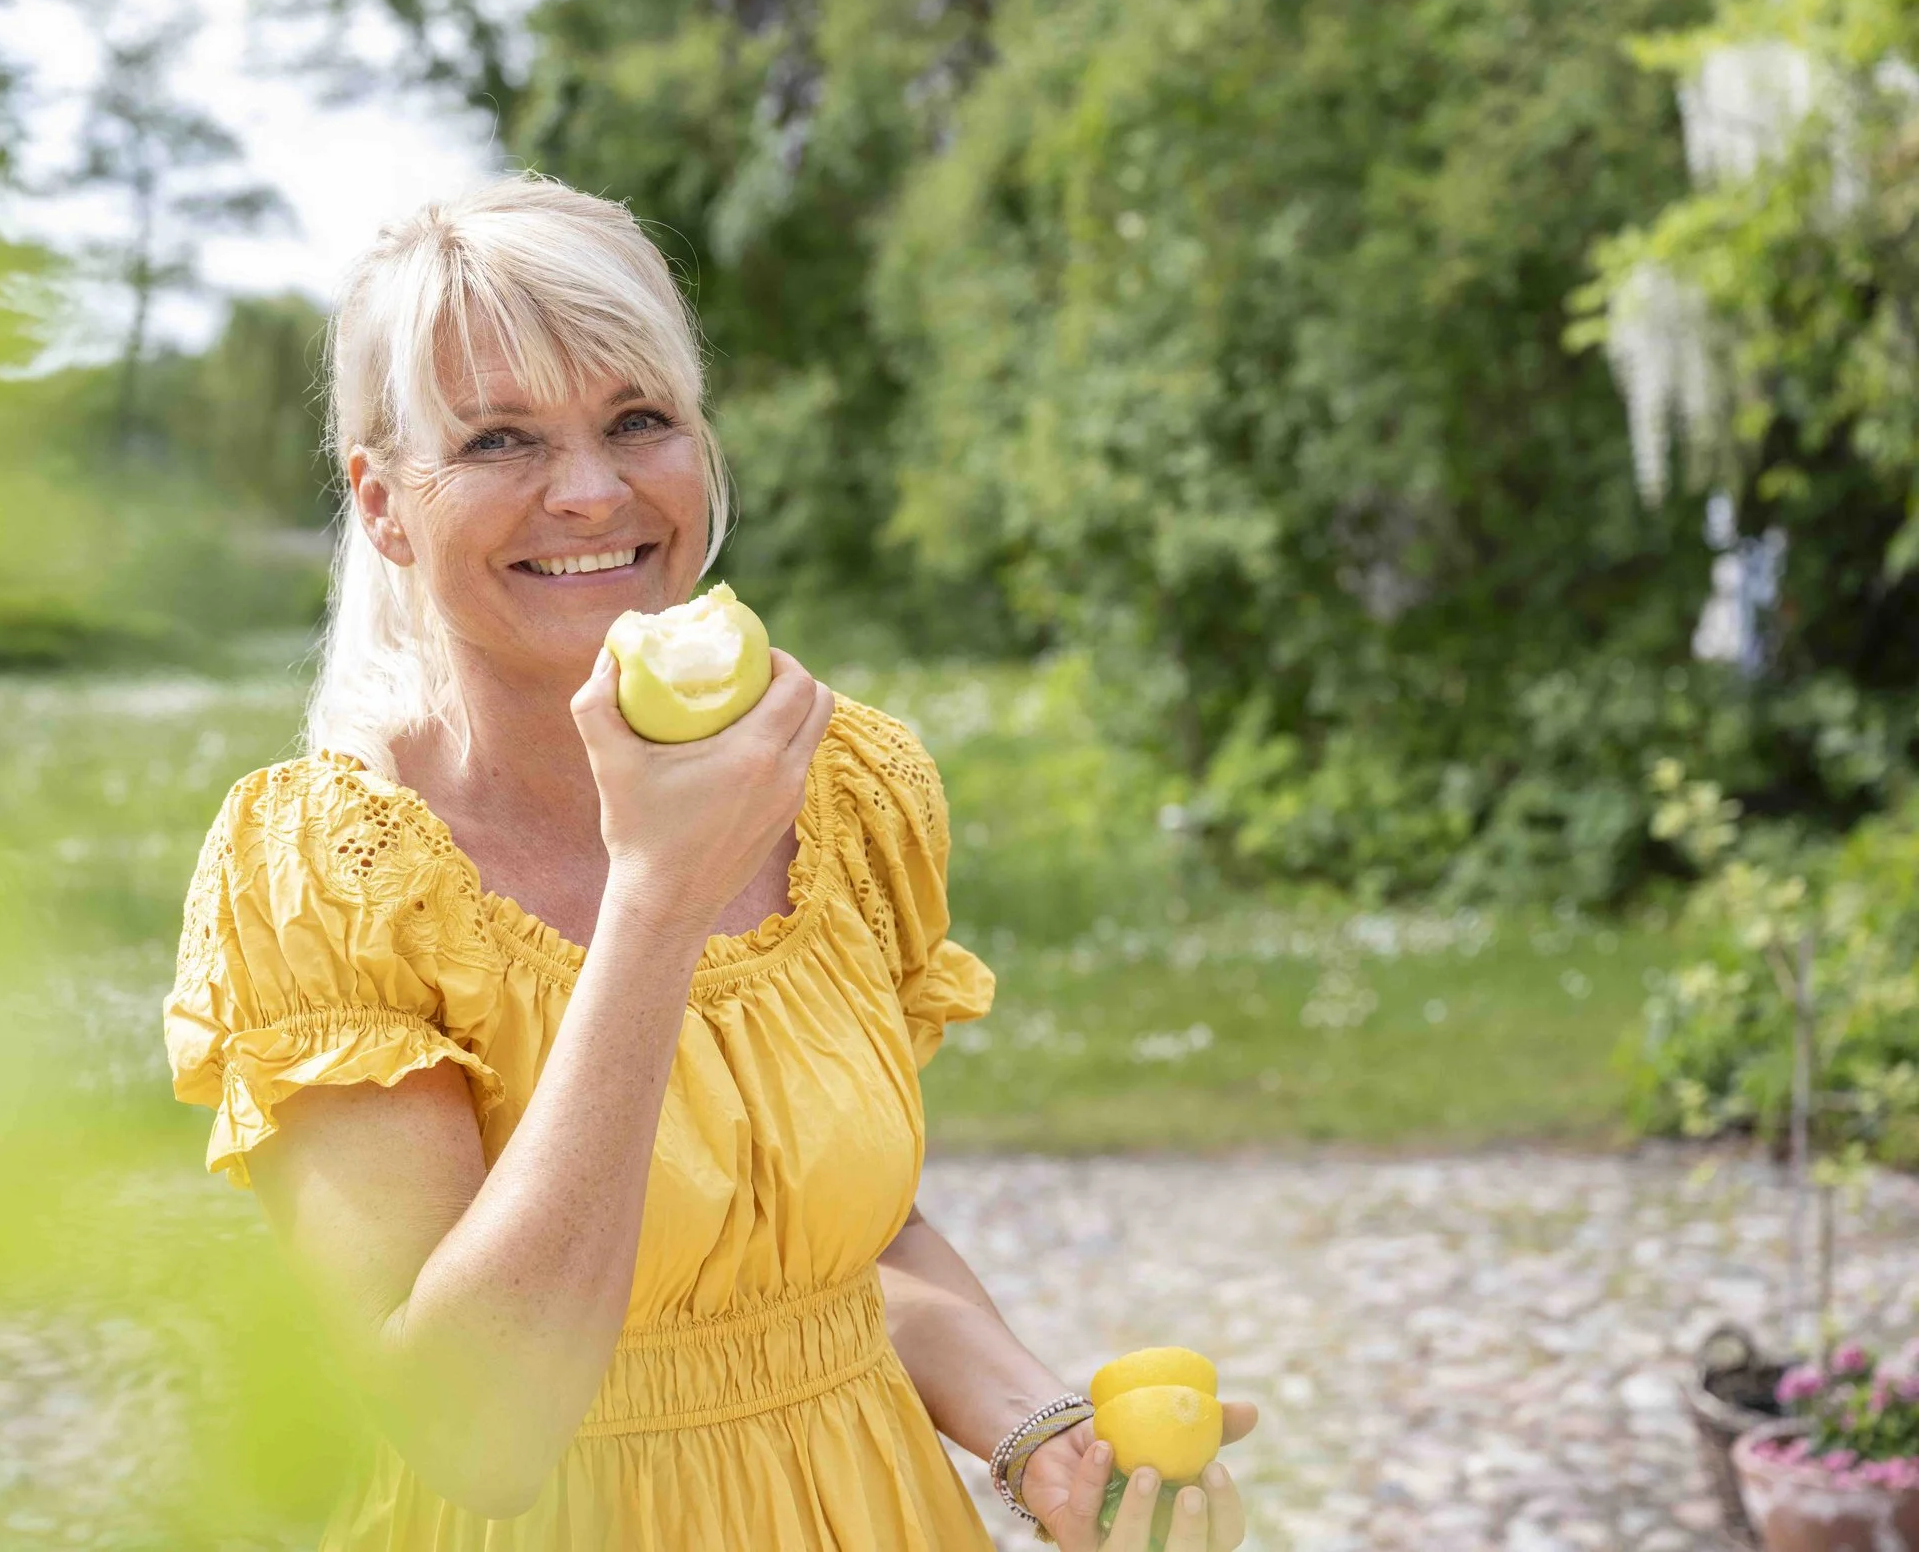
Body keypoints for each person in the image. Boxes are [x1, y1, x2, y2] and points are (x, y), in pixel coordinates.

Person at [165, 175, 1257, 1551]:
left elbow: (831, 1244)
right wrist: (655, 899)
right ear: (384, 503)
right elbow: (477, 1429)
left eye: (639, 420)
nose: (591, 490)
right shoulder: (324, 872)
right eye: (502, 439)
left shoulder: (849, 784)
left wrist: (1041, 1431)